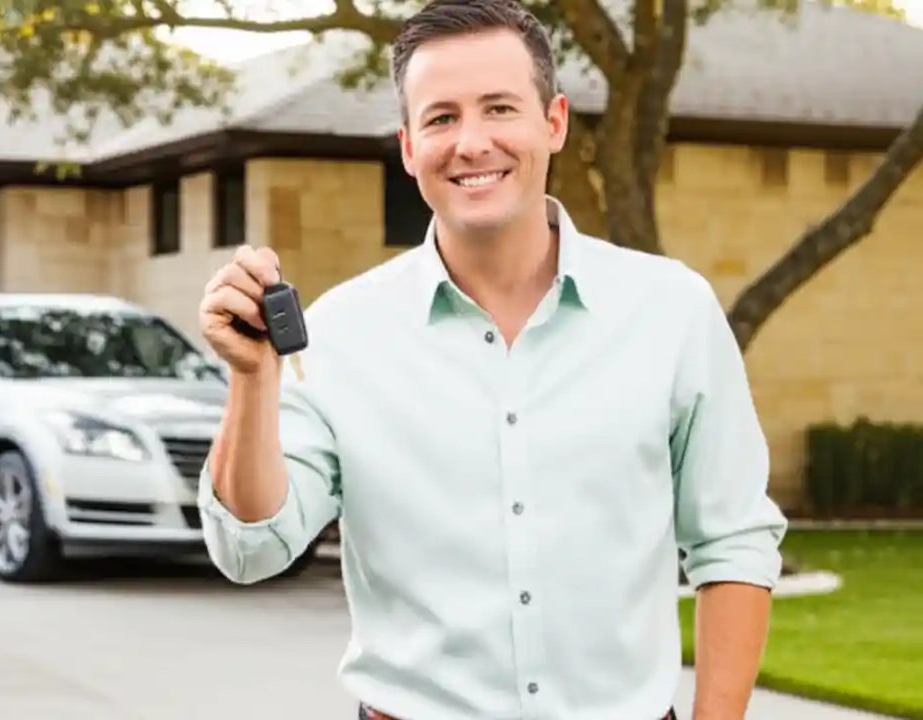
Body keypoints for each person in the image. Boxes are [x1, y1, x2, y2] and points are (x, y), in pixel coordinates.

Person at [195, 1, 788, 718]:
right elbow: (252, 549)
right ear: (409, 147)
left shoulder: (672, 311)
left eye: (499, 108)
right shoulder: (339, 335)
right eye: (441, 118)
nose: (471, 143)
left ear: (555, 122)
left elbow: (733, 544)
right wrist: (251, 381)